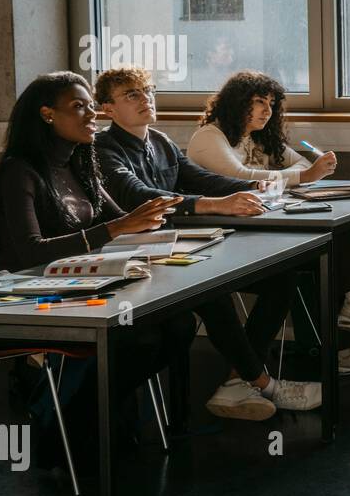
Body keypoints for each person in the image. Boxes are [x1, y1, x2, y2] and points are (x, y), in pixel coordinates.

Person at [0, 73, 197, 464]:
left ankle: (79, 416)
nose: (91, 115)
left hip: (87, 284)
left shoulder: (81, 164)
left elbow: (124, 228)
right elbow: (27, 255)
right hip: (30, 296)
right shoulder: (19, 171)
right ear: (47, 114)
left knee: (178, 324)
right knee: (139, 337)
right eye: (78, 107)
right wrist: (119, 227)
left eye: (90, 106)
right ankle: (59, 419)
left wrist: (158, 232)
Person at [93, 66, 321, 418]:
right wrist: (216, 204)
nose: (145, 99)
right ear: (107, 109)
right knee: (212, 290)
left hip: (176, 244)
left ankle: (236, 383)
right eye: (131, 95)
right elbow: (139, 195)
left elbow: (203, 179)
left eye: (147, 91)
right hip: (135, 256)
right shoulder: (102, 149)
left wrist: (258, 188)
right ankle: (265, 384)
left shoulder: (161, 142)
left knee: (281, 279)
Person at [187, 70, 350, 376]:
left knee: (333, 236)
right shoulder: (209, 137)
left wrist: (299, 174)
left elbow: (299, 162)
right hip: (231, 236)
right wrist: (302, 178)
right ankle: (343, 342)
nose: (267, 110)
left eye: (271, 103)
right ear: (236, 102)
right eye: (259, 102)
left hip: (264, 225)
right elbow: (240, 179)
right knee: (317, 251)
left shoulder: (257, 136)